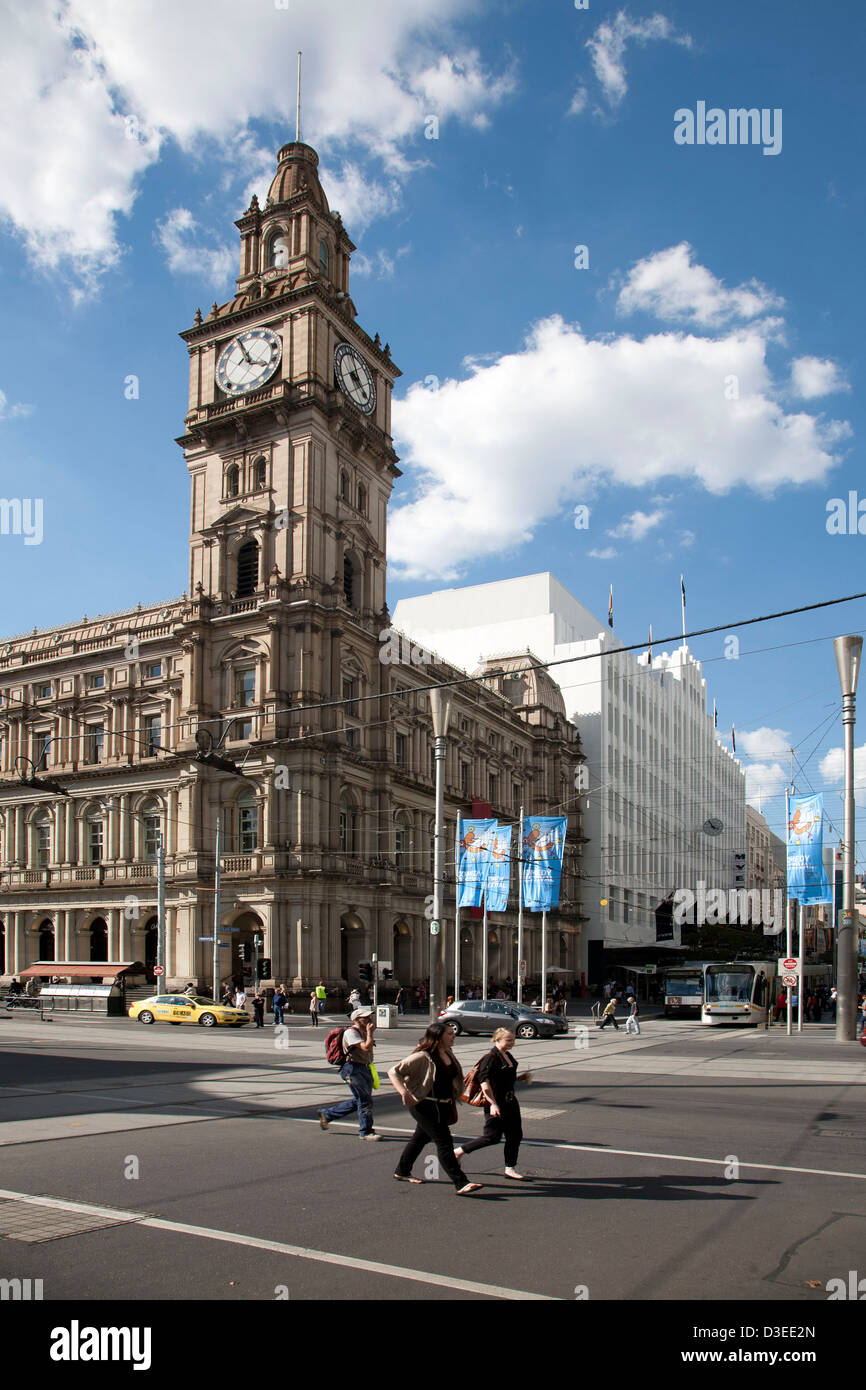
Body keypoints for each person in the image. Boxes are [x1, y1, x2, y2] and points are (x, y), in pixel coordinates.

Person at [388, 1022, 481, 1194]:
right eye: (449, 1034)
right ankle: (461, 1182)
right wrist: (404, 1092)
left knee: (420, 1138)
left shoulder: (448, 1053)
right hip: (424, 1105)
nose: (453, 1037)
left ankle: (402, 1171)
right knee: (444, 1142)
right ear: (437, 1037)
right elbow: (393, 1071)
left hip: (443, 1104)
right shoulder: (423, 1056)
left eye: (453, 1034)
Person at [455, 1027, 531, 1180]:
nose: (512, 1043)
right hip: (497, 1102)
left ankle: (510, 1168)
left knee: (515, 1135)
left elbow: (502, 1079)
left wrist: (520, 1078)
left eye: (513, 1040)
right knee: (492, 1137)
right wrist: (493, 1104)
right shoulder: (490, 1057)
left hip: (510, 1101)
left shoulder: (507, 1055)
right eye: (508, 1040)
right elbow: (485, 1083)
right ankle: (458, 1151)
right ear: (497, 1039)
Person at [319, 1007, 380, 1140]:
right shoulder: (351, 1033)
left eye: (370, 1016)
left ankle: (327, 1114)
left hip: (364, 1067)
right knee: (364, 1101)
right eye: (366, 1017)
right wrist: (370, 1033)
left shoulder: (363, 1031)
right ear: (357, 1020)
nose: (369, 1019)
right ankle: (366, 1131)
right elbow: (365, 1047)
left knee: (362, 1099)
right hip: (352, 1068)